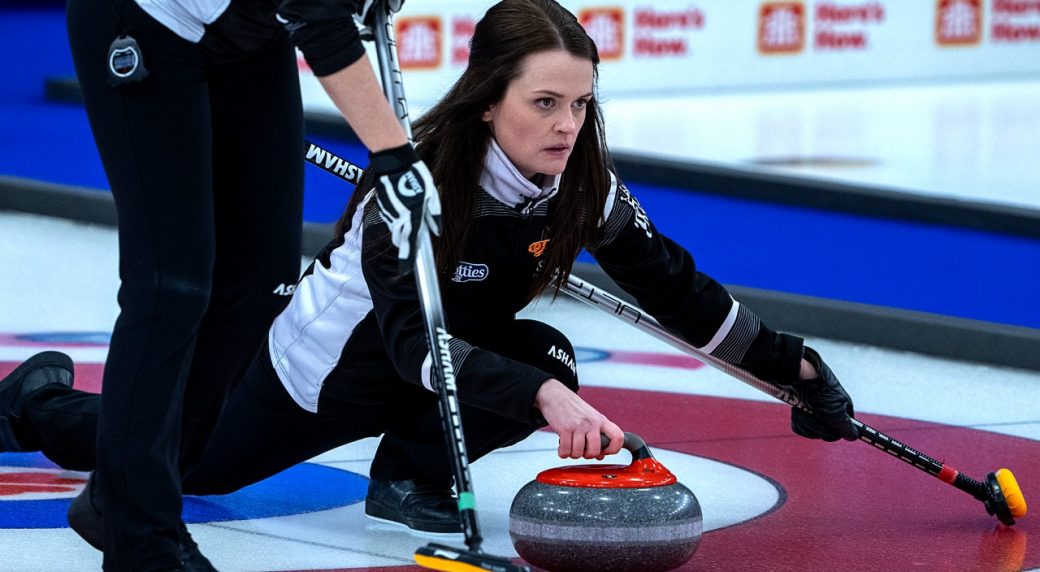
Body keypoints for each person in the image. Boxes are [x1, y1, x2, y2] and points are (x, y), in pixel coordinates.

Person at [3, 0, 857, 562]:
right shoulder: (425, 188)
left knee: (543, 356)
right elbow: (413, 344)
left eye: (581, 104)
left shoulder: (578, 188)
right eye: (544, 105)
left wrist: (795, 369)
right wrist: (536, 399)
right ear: (490, 101)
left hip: (437, 356)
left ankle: (408, 475)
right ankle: (40, 409)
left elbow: (675, 290)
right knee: (198, 453)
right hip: (323, 377)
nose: (568, 127)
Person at [62, 0, 438, 567]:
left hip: (251, 30)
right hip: (146, 19)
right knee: (172, 285)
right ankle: (141, 537)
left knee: (262, 283)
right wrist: (394, 157)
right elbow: (323, 24)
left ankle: (122, 494)